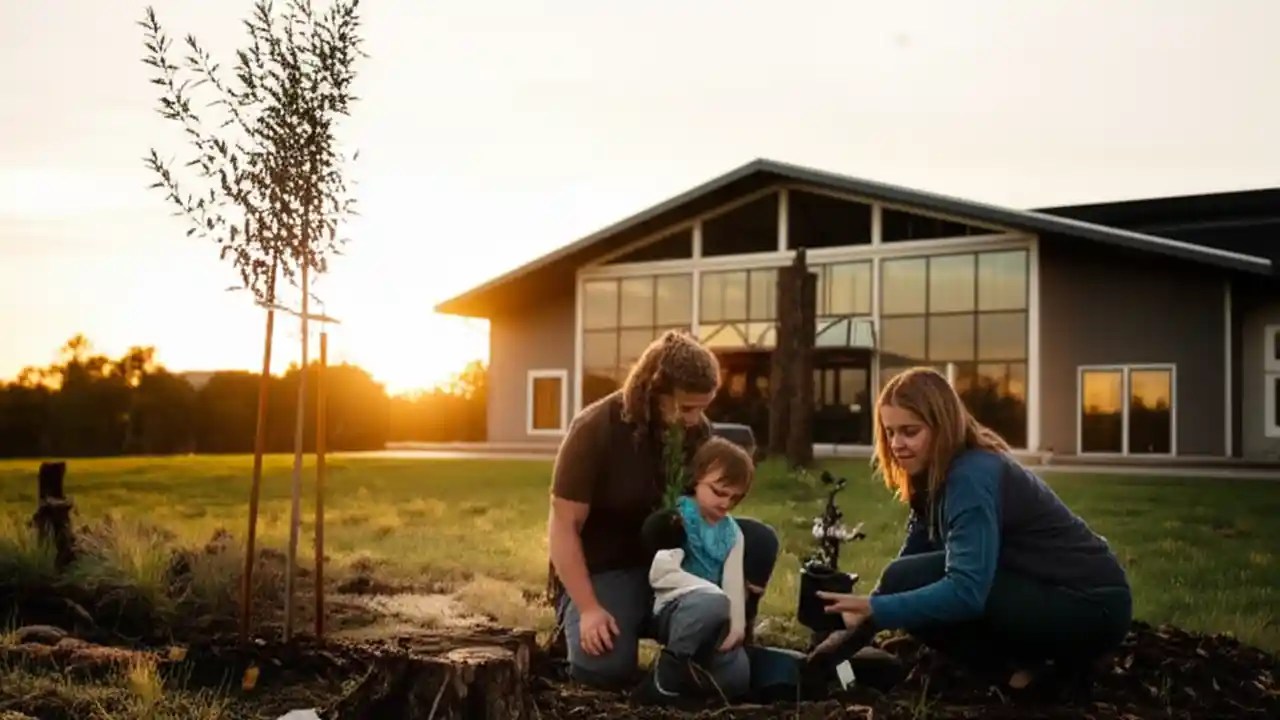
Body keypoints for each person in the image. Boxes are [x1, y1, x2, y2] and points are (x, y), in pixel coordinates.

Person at [809, 367, 1132, 696]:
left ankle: (1029, 677)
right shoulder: (935, 477)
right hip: (1042, 591)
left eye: (909, 431)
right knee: (904, 583)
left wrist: (875, 610)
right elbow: (911, 563)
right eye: (890, 432)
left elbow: (966, 592)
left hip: (1091, 606)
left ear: (943, 427)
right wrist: (861, 622)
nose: (896, 444)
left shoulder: (971, 477)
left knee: (915, 589)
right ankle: (1025, 667)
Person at [547, 330, 781, 691]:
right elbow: (564, 526)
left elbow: (707, 507)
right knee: (603, 669)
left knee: (733, 678)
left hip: (679, 563)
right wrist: (589, 608)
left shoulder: (696, 432)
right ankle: (576, 621)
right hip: (609, 568)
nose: (695, 419)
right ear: (653, 392)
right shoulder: (595, 428)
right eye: (687, 408)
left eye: (703, 407)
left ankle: (728, 637)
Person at [639, 436, 756, 705]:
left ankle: (690, 683)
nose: (725, 503)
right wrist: (714, 597)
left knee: (737, 679)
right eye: (718, 492)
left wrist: (736, 625)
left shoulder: (732, 534)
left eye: (734, 498)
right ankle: (664, 677)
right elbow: (662, 571)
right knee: (710, 604)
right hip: (677, 608)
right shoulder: (680, 516)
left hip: (716, 615)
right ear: (697, 478)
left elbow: (733, 581)